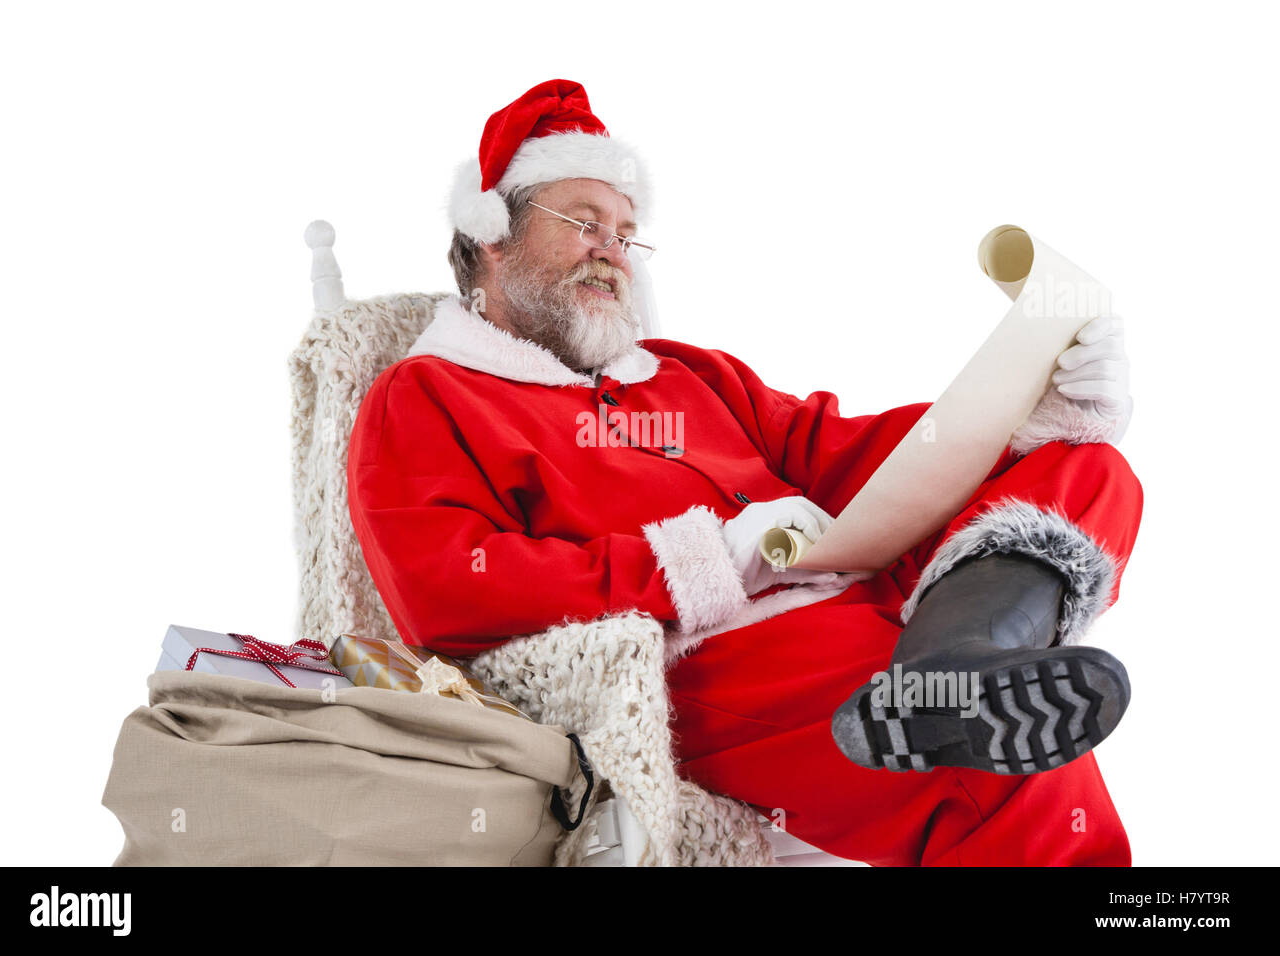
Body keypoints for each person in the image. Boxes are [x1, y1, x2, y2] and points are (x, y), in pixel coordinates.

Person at [346, 78, 1143, 866]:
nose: (612, 251)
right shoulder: (426, 395)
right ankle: (943, 698)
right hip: (706, 659)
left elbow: (846, 451)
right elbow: (447, 589)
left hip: (859, 602)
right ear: (492, 237)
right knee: (1008, 772)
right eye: (583, 223)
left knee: (1088, 469)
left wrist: (1027, 416)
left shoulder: (686, 373)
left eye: (625, 232)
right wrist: (707, 560)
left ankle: (955, 658)